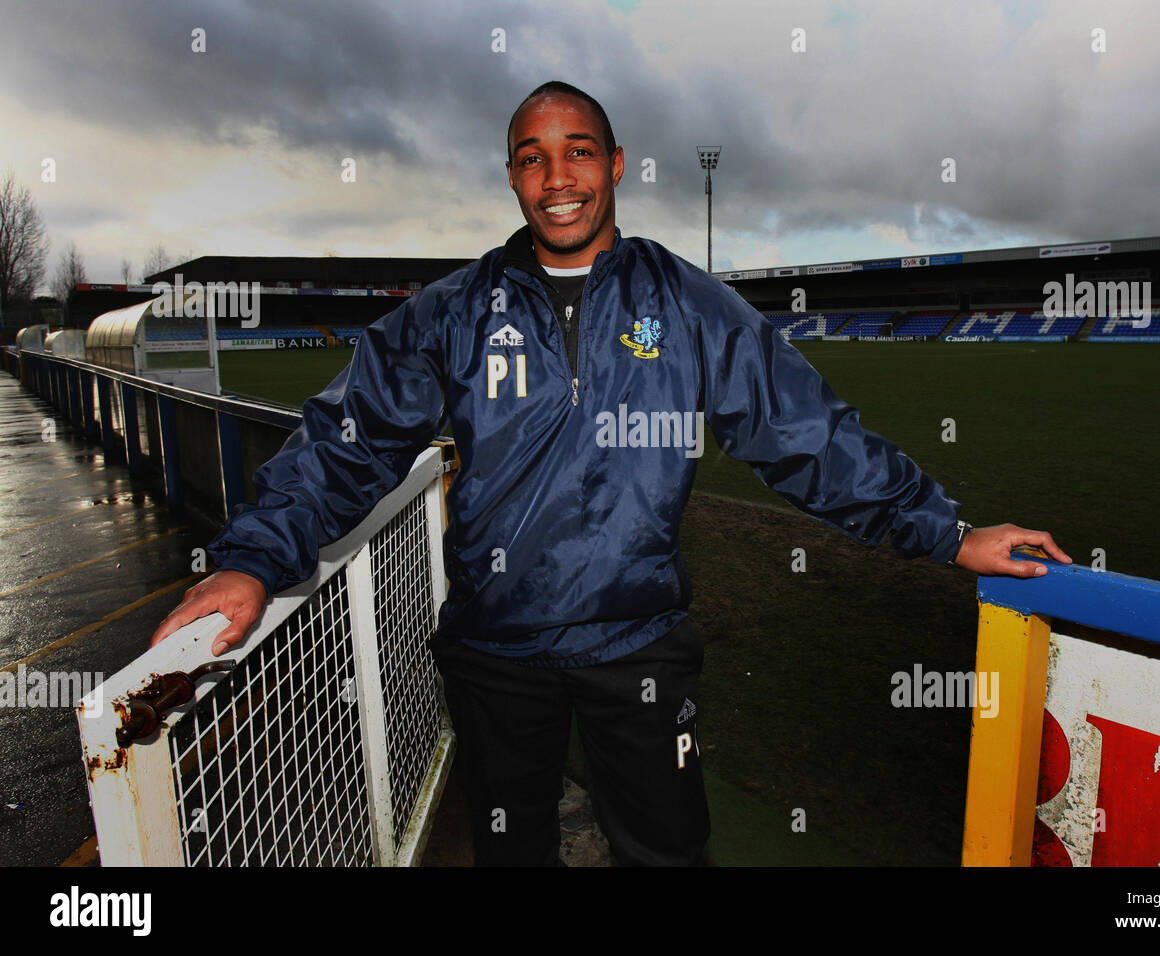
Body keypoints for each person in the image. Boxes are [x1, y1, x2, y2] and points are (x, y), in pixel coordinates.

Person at [150, 80, 1072, 866]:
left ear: (618, 164)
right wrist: (253, 560)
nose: (559, 179)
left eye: (579, 151)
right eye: (533, 157)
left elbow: (806, 435)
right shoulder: (453, 311)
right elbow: (346, 442)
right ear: (512, 175)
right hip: (496, 651)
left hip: (640, 647)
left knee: (666, 854)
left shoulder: (688, 302)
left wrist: (945, 532)